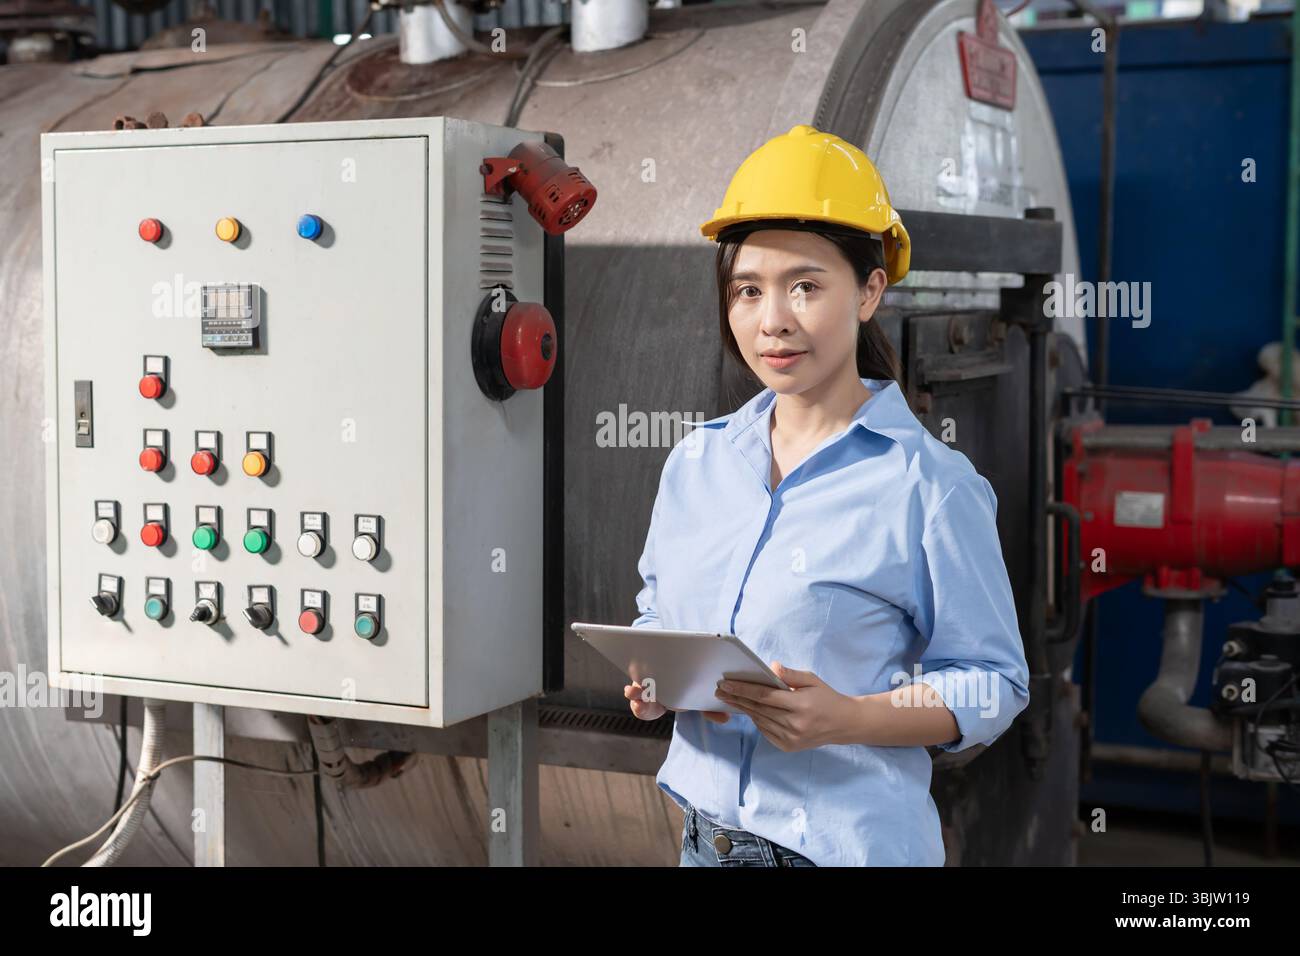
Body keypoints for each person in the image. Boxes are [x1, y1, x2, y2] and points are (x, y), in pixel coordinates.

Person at [622, 125, 1031, 867]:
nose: (771, 319)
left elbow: (993, 684)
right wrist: (660, 682)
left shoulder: (928, 487)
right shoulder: (698, 462)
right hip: (701, 843)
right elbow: (658, 609)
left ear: (871, 290)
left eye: (805, 286)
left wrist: (849, 716)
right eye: (748, 290)